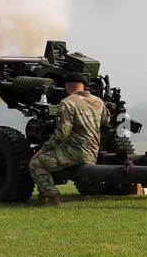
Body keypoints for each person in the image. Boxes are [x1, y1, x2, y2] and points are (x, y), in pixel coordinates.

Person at [29, 73, 110, 207]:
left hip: (75, 152)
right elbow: (106, 121)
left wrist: (43, 149)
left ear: (67, 86)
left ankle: (52, 198)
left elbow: (62, 134)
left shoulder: (68, 103)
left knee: (36, 164)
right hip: (92, 151)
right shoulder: (98, 102)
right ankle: (43, 198)